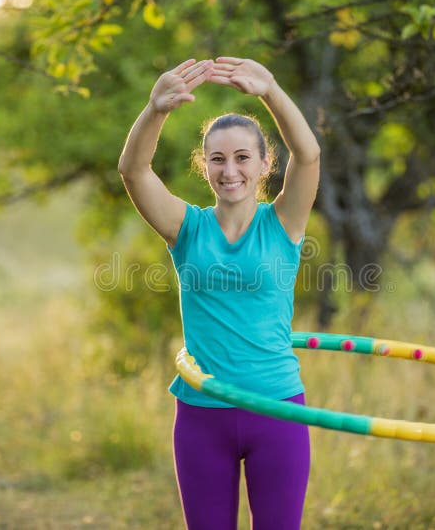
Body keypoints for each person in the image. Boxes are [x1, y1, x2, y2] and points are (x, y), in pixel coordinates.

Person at [118, 57, 320, 530]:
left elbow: (308, 155)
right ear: (204, 166)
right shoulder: (185, 227)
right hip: (201, 415)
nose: (230, 170)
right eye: (218, 158)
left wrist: (270, 89)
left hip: (276, 409)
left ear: (266, 164)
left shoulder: (284, 222)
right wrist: (155, 110)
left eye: (243, 157)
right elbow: (132, 170)